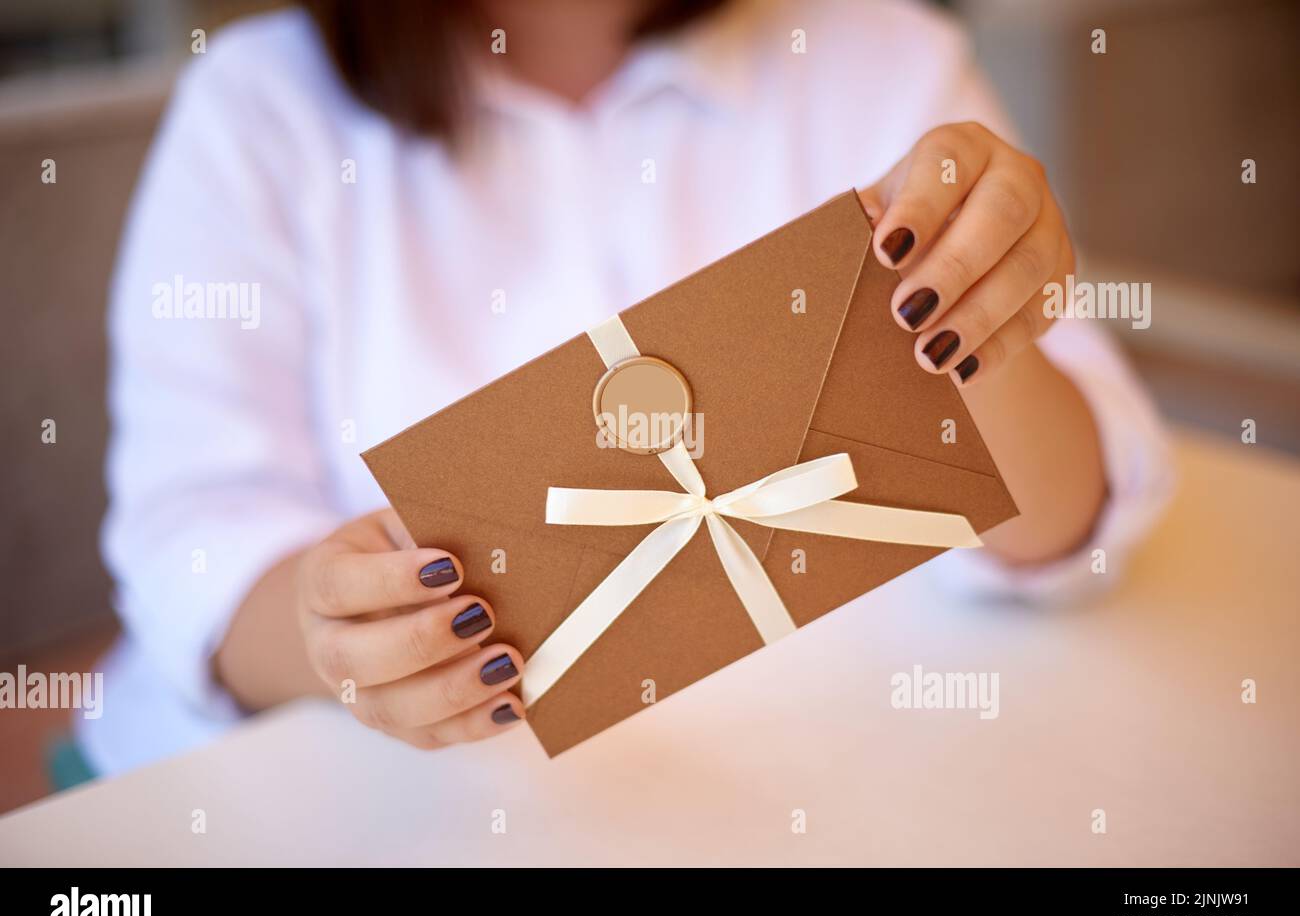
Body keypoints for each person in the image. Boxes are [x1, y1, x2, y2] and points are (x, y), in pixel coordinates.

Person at [84, 0, 1172, 774]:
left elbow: (1066, 518)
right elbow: (191, 543)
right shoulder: (258, 109)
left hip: (827, 771)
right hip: (358, 800)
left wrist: (983, 312)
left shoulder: (885, 58)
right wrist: (340, 642)